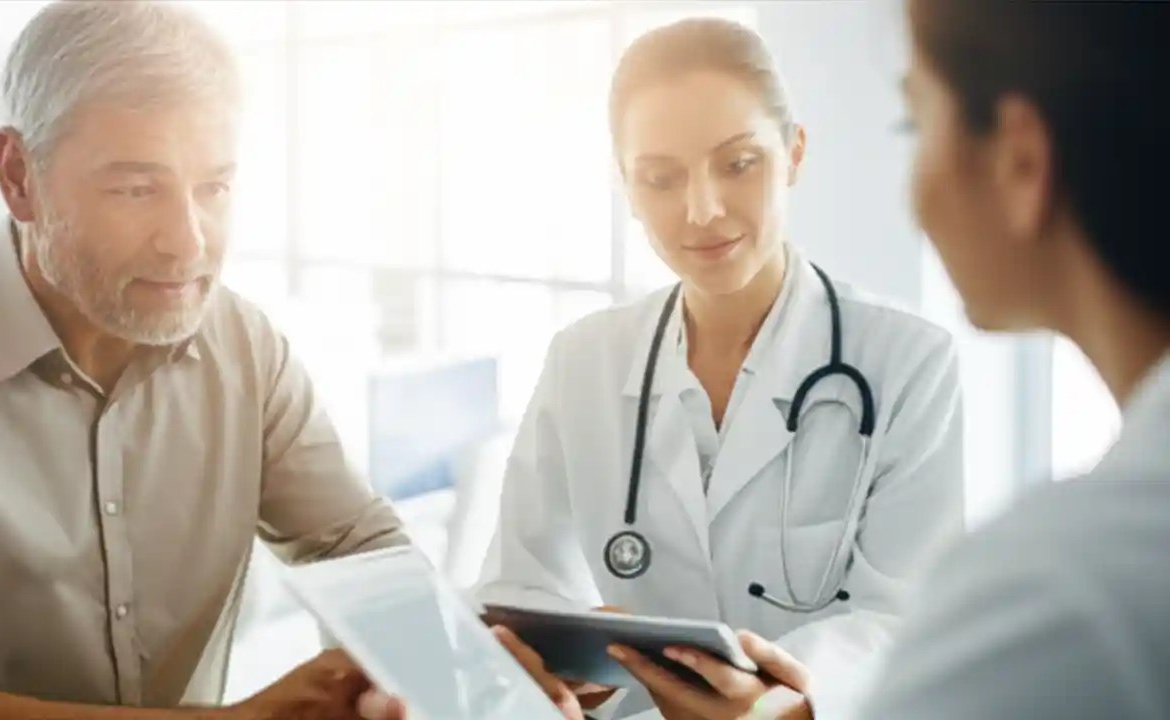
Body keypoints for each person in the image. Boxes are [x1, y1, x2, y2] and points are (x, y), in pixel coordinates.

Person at [595, 2, 1170, 719]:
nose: (703, 209)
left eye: (915, 124)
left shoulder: (1061, 599)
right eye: (661, 178)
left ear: (1021, 162)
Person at [0, 3, 419, 718]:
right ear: (18, 176)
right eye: (137, 190)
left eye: (214, 188)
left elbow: (361, 553)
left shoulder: (246, 347)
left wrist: (459, 683)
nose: (188, 244)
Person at [476, 18, 965, 719]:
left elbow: (902, 617)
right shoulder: (581, 361)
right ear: (627, 185)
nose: (701, 210)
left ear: (793, 154)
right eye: (660, 178)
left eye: (738, 165)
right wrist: (559, 665)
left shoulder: (908, 362)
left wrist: (786, 700)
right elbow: (522, 591)